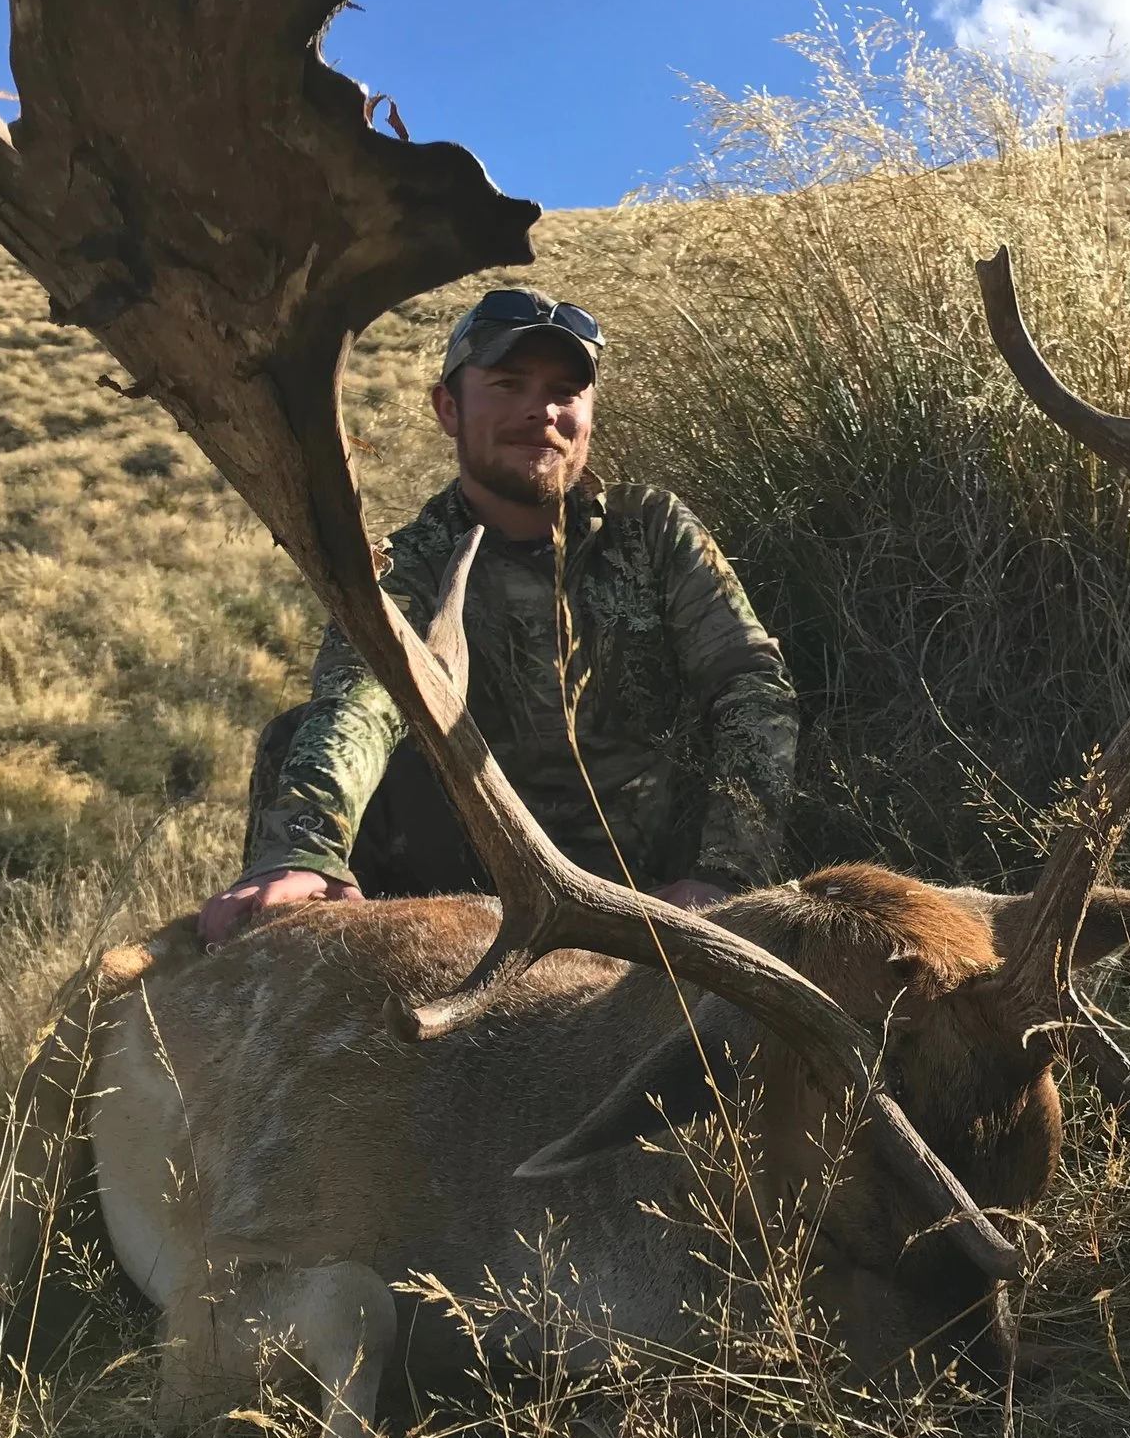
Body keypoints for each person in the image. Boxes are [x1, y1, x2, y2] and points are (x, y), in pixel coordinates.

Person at [197, 287, 797, 947]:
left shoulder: (653, 530)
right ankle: (311, 939)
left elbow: (750, 682)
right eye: (509, 384)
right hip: (469, 882)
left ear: (589, 413)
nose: (540, 410)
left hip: (657, 878)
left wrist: (723, 874)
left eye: (565, 391)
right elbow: (360, 701)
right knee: (295, 737)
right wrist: (305, 848)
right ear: (448, 407)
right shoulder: (407, 565)